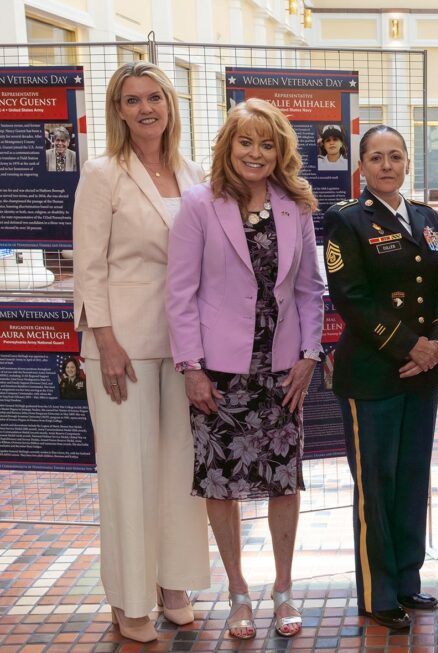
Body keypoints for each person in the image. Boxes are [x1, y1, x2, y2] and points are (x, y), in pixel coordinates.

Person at [165, 98, 324, 640]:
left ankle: (283, 591)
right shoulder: (197, 204)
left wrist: (309, 355)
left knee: (284, 482)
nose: (255, 153)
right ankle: (238, 594)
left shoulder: (296, 207)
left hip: (281, 374)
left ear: (280, 152)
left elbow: (309, 290)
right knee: (221, 485)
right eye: (245, 141)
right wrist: (190, 366)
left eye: (267, 144)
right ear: (227, 146)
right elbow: (180, 294)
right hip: (217, 375)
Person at [73, 61, 210, 644]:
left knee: (180, 467)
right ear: (119, 111)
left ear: (170, 105)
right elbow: (88, 264)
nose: (145, 108)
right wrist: (103, 340)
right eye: (132, 100)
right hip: (121, 345)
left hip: (184, 344)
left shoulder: (194, 172)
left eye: (154, 97)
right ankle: (130, 598)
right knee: (129, 472)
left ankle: (172, 582)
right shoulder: (102, 174)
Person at [322, 124, 438, 631]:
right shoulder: (346, 221)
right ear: (361, 167)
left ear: (407, 164)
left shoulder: (425, 216)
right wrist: (410, 346)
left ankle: (407, 581)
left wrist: (437, 343)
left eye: (395, 156)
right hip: (373, 375)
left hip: (421, 374)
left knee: (411, 480)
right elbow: (351, 297)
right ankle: (379, 595)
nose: (386, 165)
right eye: (375, 157)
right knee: (374, 486)